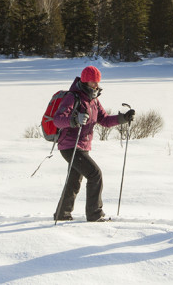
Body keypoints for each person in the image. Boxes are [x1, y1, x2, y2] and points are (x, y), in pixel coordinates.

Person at [52, 65, 135, 222]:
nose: (96, 85)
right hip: (70, 145)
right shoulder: (72, 97)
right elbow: (58, 119)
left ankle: (62, 214)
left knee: (74, 180)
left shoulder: (94, 100)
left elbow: (104, 120)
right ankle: (94, 214)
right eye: (93, 82)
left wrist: (123, 118)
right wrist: (74, 120)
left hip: (82, 146)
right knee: (95, 174)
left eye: (97, 81)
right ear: (85, 81)